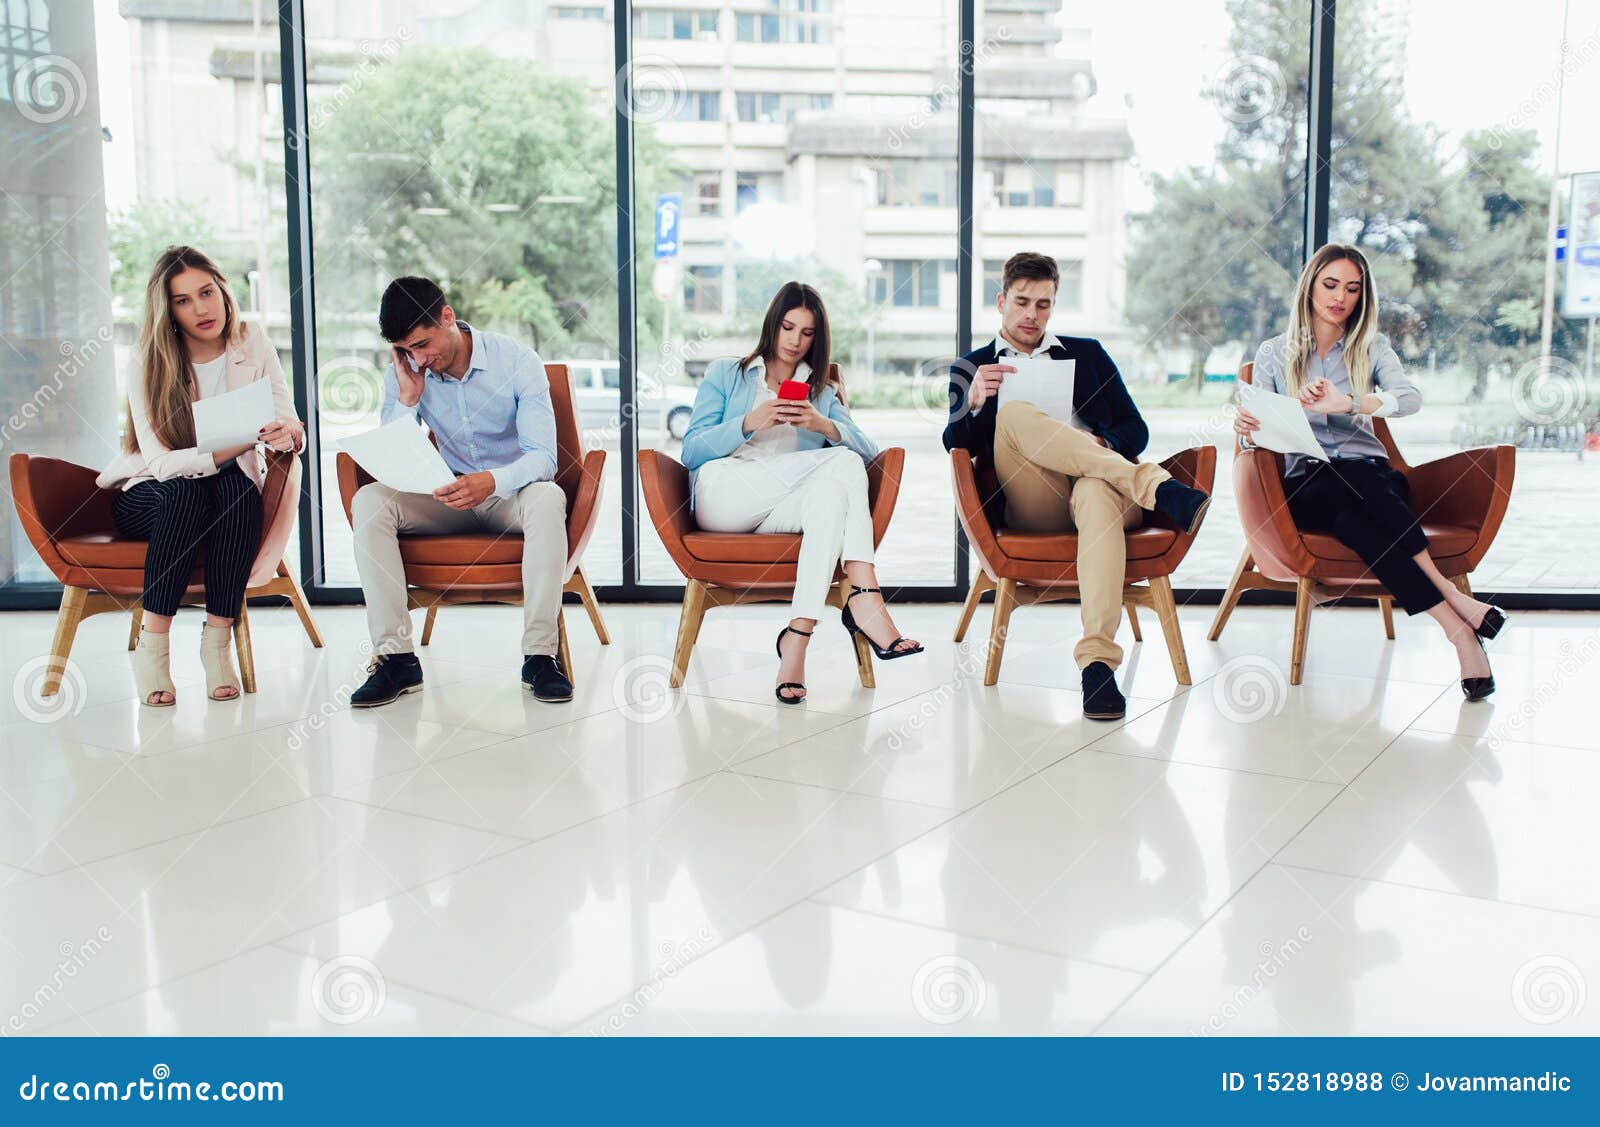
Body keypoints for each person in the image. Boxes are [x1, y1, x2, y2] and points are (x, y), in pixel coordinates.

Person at [942, 251, 1211, 721]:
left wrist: (1100, 440)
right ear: (1001, 300)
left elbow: (1136, 429)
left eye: (1043, 304)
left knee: (1094, 486)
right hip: (1034, 498)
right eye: (1022, 302)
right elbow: (956, 446)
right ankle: (1156, 487)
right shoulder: (973, 366)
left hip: (1101, 493)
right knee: (1015, 413)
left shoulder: (1087, 354)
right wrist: (974, 403)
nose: (1032, 314)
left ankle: (1097, 668)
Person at [1238, 243, 1503, 700]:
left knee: (1358, 513)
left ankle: (1459, 636)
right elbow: (1258, 435)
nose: (1340, 296)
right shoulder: (1273, 353)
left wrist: (1350, 403)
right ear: (1310, 288)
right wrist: (1247, 429)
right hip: (1306, 486)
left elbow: (1410, 398)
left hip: (1371, 479)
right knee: (1348, 485)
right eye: (1331, 284)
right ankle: (1454, 598)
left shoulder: (1371, 347)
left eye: (1352, 288)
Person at [682, 281, 923, 704]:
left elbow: (868, 451)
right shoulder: (727, 373)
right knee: (841, 465)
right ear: (773, 326)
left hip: (780, 507)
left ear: (818, 338)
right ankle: (865, 597)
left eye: (807, 333)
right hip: (725, 496)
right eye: (788, 328)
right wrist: (748, 422)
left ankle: (796, 640)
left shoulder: (822, 391)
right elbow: (691, 451)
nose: (795, 341)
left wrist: (823, 425)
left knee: (832, 494)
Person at [348, 276, 572, 706]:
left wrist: (492, 481)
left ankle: (540, 656)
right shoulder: (408, 374)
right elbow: (392, 459)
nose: (419, 358)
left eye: (423, 343)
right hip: (447, 499)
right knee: (370, 501)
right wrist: (409, 399)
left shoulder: (517, 361)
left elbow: (544, 458)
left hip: (509, 497)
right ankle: (396, 661)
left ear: (447, 316)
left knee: (548, 497)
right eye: (406, 350)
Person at [97, 245, 305, 707]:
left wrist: (286, 434)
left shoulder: (252, 341)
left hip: (226, 488)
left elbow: (289, 421)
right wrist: (236, 443)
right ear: (167, 309)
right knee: (188, 494)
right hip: (150, 494)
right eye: (183, 300)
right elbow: (163, 464)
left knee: (235, 492)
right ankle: (153, 651)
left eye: (206, 292)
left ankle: (216, 645)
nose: (201, 308)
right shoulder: (147, 359)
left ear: (223, 289)